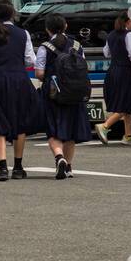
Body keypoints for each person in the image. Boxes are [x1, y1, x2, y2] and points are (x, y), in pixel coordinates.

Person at [0, 0, 39, 181]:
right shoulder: (23, 33)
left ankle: (3, 167)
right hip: (19, 78)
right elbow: (31, 60)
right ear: (12, 15)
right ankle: (18, 167)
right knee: (20, 121)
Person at [36, 14, 90, 179]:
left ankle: (59, 157)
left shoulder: (45, 47)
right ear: (66, 26)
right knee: (71, 131)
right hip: (75, 93)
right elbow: (83, 67)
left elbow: (39, 73)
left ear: (47, 29)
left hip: (53, 94)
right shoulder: (77, 45)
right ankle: (69, 166)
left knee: (54, 130)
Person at [96, 10, 131, 145]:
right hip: (124, 71)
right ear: (128, 22)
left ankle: (128, 135)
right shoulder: (129, 35)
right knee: (124, 103)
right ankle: (105, 126)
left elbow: (106, 53)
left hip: (112, 71)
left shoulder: (111, 35)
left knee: (128, 102)